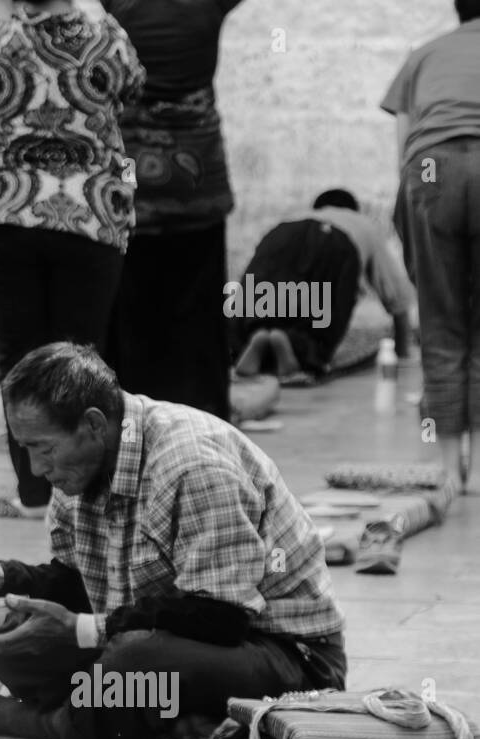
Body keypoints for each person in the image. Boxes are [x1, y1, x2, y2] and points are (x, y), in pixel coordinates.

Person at [0, 343, 346, 739]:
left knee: (132, 663)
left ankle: (49, 724)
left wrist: (83, 631)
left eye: (44, 448)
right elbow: (82, 584)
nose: (37, 469)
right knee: (12, 650)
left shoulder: (193, 467)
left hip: (285, 656)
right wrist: (2, 578)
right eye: (25, 449)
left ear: (93, 424)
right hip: (173, 642)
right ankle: (130, 716)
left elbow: (221, 618)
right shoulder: (78, 471)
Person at [0, 0, 145, 511]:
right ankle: (89, 492)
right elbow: (133, 86)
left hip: (10, 213)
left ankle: (34, 492)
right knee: (83, 360)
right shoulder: (108, 35)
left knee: (18, 357)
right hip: (89, 215)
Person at [103, 0, 246, 421]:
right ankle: (204, 419)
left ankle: (130, 420)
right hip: (197, 180)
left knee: (131, 312)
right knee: (200, 317)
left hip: (131, 182)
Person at [382, 0, 480, 492]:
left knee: (442, 321)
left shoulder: (424, 55)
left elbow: (404, 148)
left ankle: (448, 471)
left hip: (431, 167)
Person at [232, 189, 416, 385]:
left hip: (280, 238)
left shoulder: (297, 218)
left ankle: (248, 342)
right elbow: (395, 292)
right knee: (324, 317)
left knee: (257, 302)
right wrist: (402, 352)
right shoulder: (362, 224)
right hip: (335, 243)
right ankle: (297, 350)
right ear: (354, 209)